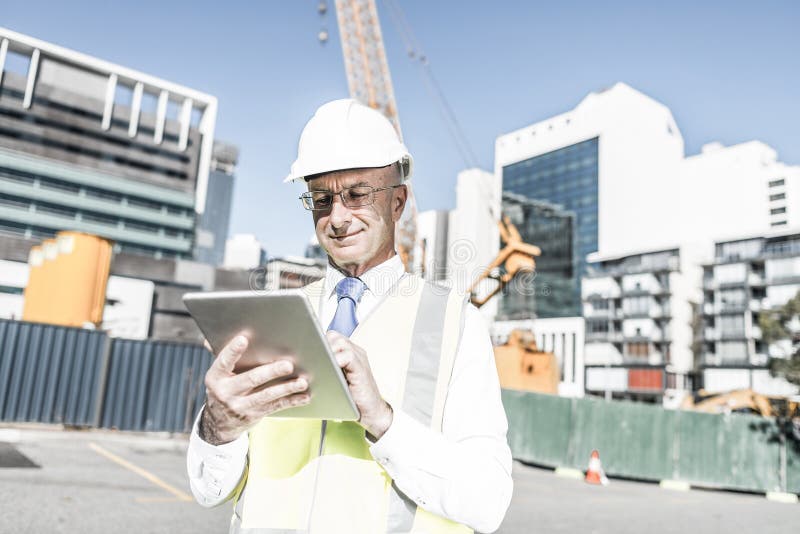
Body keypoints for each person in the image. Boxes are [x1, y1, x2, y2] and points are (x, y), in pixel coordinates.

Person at [186, 99, 512, 533]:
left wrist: (382, 419)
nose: (337, 218)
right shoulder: (275, 316)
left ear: (398, 203)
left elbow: (487, 501)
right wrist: (217, 426)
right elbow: (209, 491)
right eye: (321, 199)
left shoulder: (456, 323)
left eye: (357, 194)